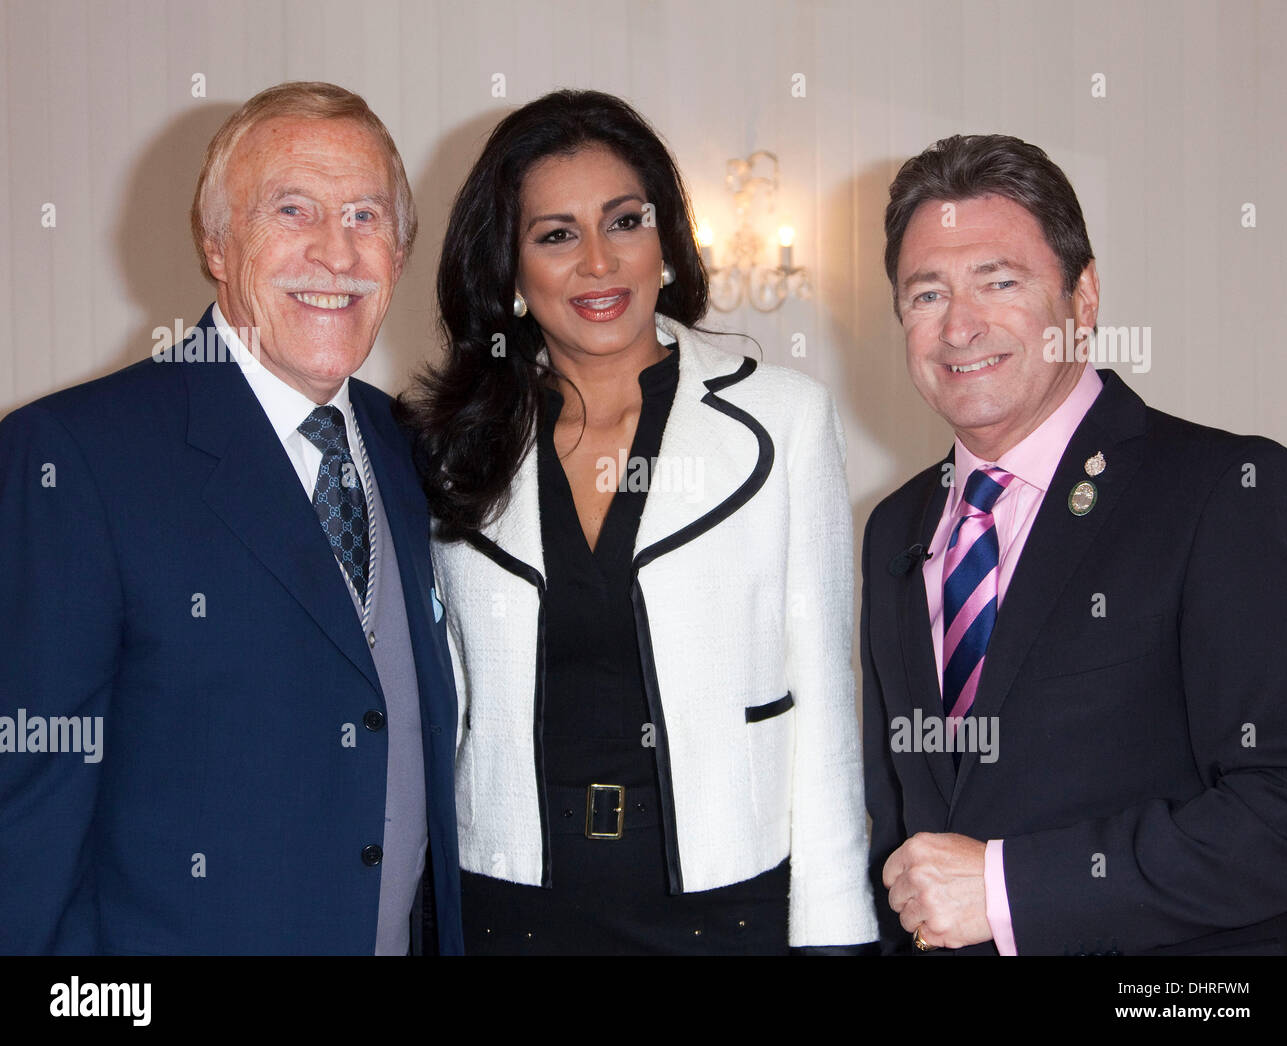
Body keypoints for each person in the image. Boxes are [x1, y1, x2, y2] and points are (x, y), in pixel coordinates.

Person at [400, 89, 873, 954]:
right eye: (555, 234)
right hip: (510, 903)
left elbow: (824, 697)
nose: (597, 263)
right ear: (508, 271)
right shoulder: (443, 440)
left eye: (624, 221)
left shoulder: (784, 417)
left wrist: (835, 931)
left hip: (724, 906)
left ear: (664, 242)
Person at [0, 81, 462, 955]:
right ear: (216, 244)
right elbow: (22, 813)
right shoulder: (73, 457)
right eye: (294, 209)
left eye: (366, 216)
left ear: (399, 251)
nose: (337, 252)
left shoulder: (412, 451)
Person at [860, 133, 1287, 956]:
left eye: (1000, 281)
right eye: (927, 294)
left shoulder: (1225, 490)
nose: (960, 326)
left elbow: (1285, 805)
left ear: (1084, 297)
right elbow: (901, 824)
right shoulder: (896, 527)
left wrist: (1005, 890)